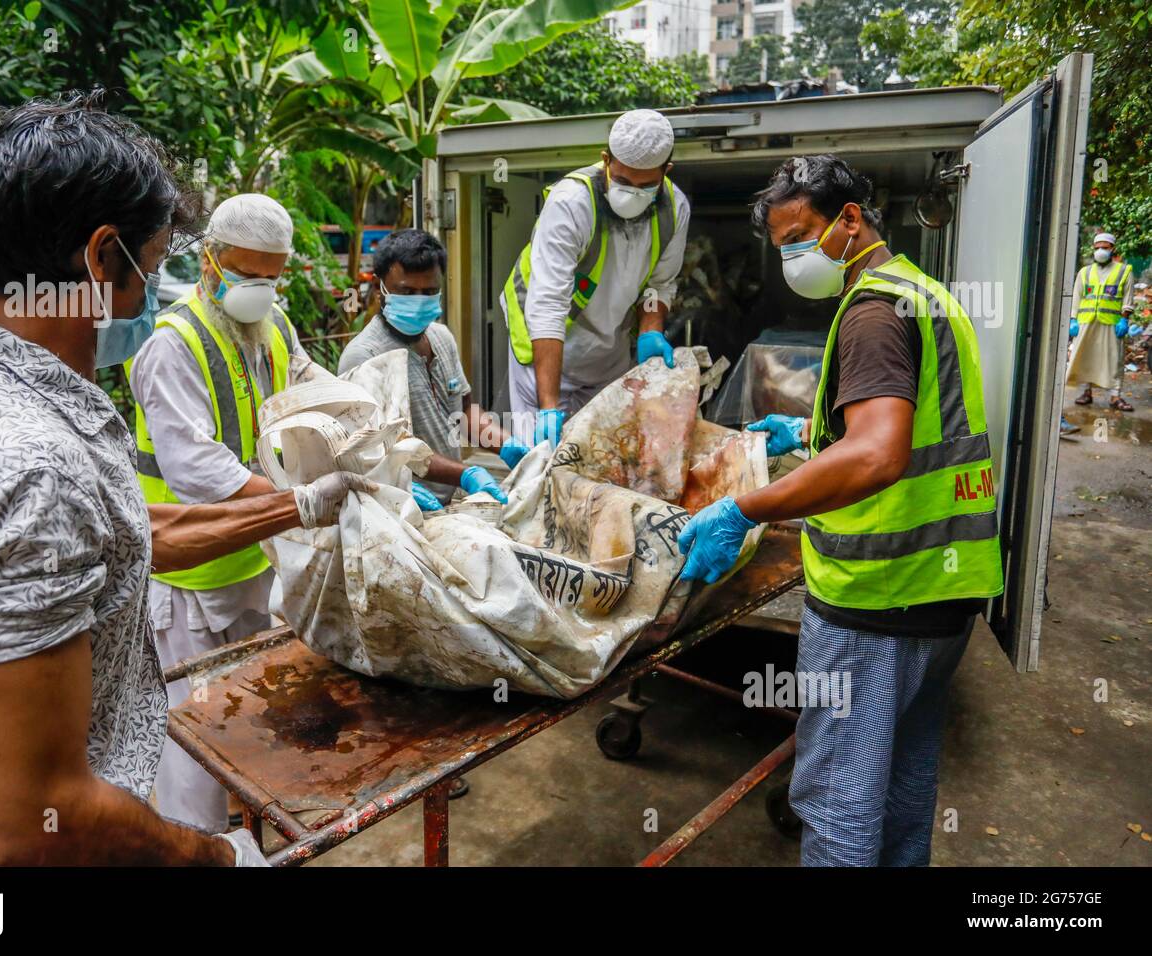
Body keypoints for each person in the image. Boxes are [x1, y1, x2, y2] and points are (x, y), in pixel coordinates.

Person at [0, 93, 372, 867]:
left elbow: (126, 529)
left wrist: (302, 505)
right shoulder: (23, 473)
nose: (155, 289)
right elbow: (42, 827)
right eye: (155, 263)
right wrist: (217, 859)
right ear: (103, 259)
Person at [678, 155, 1004, 866]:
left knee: (837, 805)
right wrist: (809, 433)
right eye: (784, 245)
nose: (794, 258)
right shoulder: (921, 292)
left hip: (874, 602)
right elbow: (912, 427)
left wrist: (744, 508)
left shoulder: (871, 313)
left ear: (850, 220)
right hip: (944, 595)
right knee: (901, 790)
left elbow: (876, 455)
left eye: (801, 237)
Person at [126, 192, 321, 831]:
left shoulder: (276, 328)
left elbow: (311, 391)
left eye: (272, 275)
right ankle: (197, 846)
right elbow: (194, 467)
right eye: (247, 274)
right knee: (195, 744)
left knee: (253, 723)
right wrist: (297, 501)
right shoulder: (171, 345)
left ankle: (243, 844)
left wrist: (372, 441)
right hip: (191, 577)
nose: (261, 288)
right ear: (210, 262)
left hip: (258, 564)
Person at [501, 108, 691, 447]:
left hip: (608, 355)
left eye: (646, 185)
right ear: (606, 160)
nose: (633, 194)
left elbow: (659, 284)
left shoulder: (675, 209)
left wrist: (651, 329)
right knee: (543, 459)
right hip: (544, 352)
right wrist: (547, 407)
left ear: (667, 171)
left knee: (603, 455)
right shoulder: (571, 202)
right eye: (623, 181)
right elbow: (548, 304)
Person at [340, 229, 515, 510]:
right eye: (407, 292)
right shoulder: (364, 357)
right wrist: (465, 474)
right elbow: (383, 449)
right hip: (402, 506)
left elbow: (463, 411)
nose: (419, 300)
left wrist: (507, 445)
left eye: (429, 292)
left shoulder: (441, 338)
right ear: (378, 288)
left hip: (451, 499)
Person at [1066, 232, 1135, 411]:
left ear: (1113, 249)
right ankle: (1086, 392)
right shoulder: (1085, 272)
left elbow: (1128, 299)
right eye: (1097, 248)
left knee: (1115, 359)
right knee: (1086, 356)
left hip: (1112, 322)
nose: (1101, 251)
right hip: (1086, 321)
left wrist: (1124, 320)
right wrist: (1073, 320)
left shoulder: (1124, 271)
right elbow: (1076, 297)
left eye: (1105, 248)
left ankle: (1115, 396)